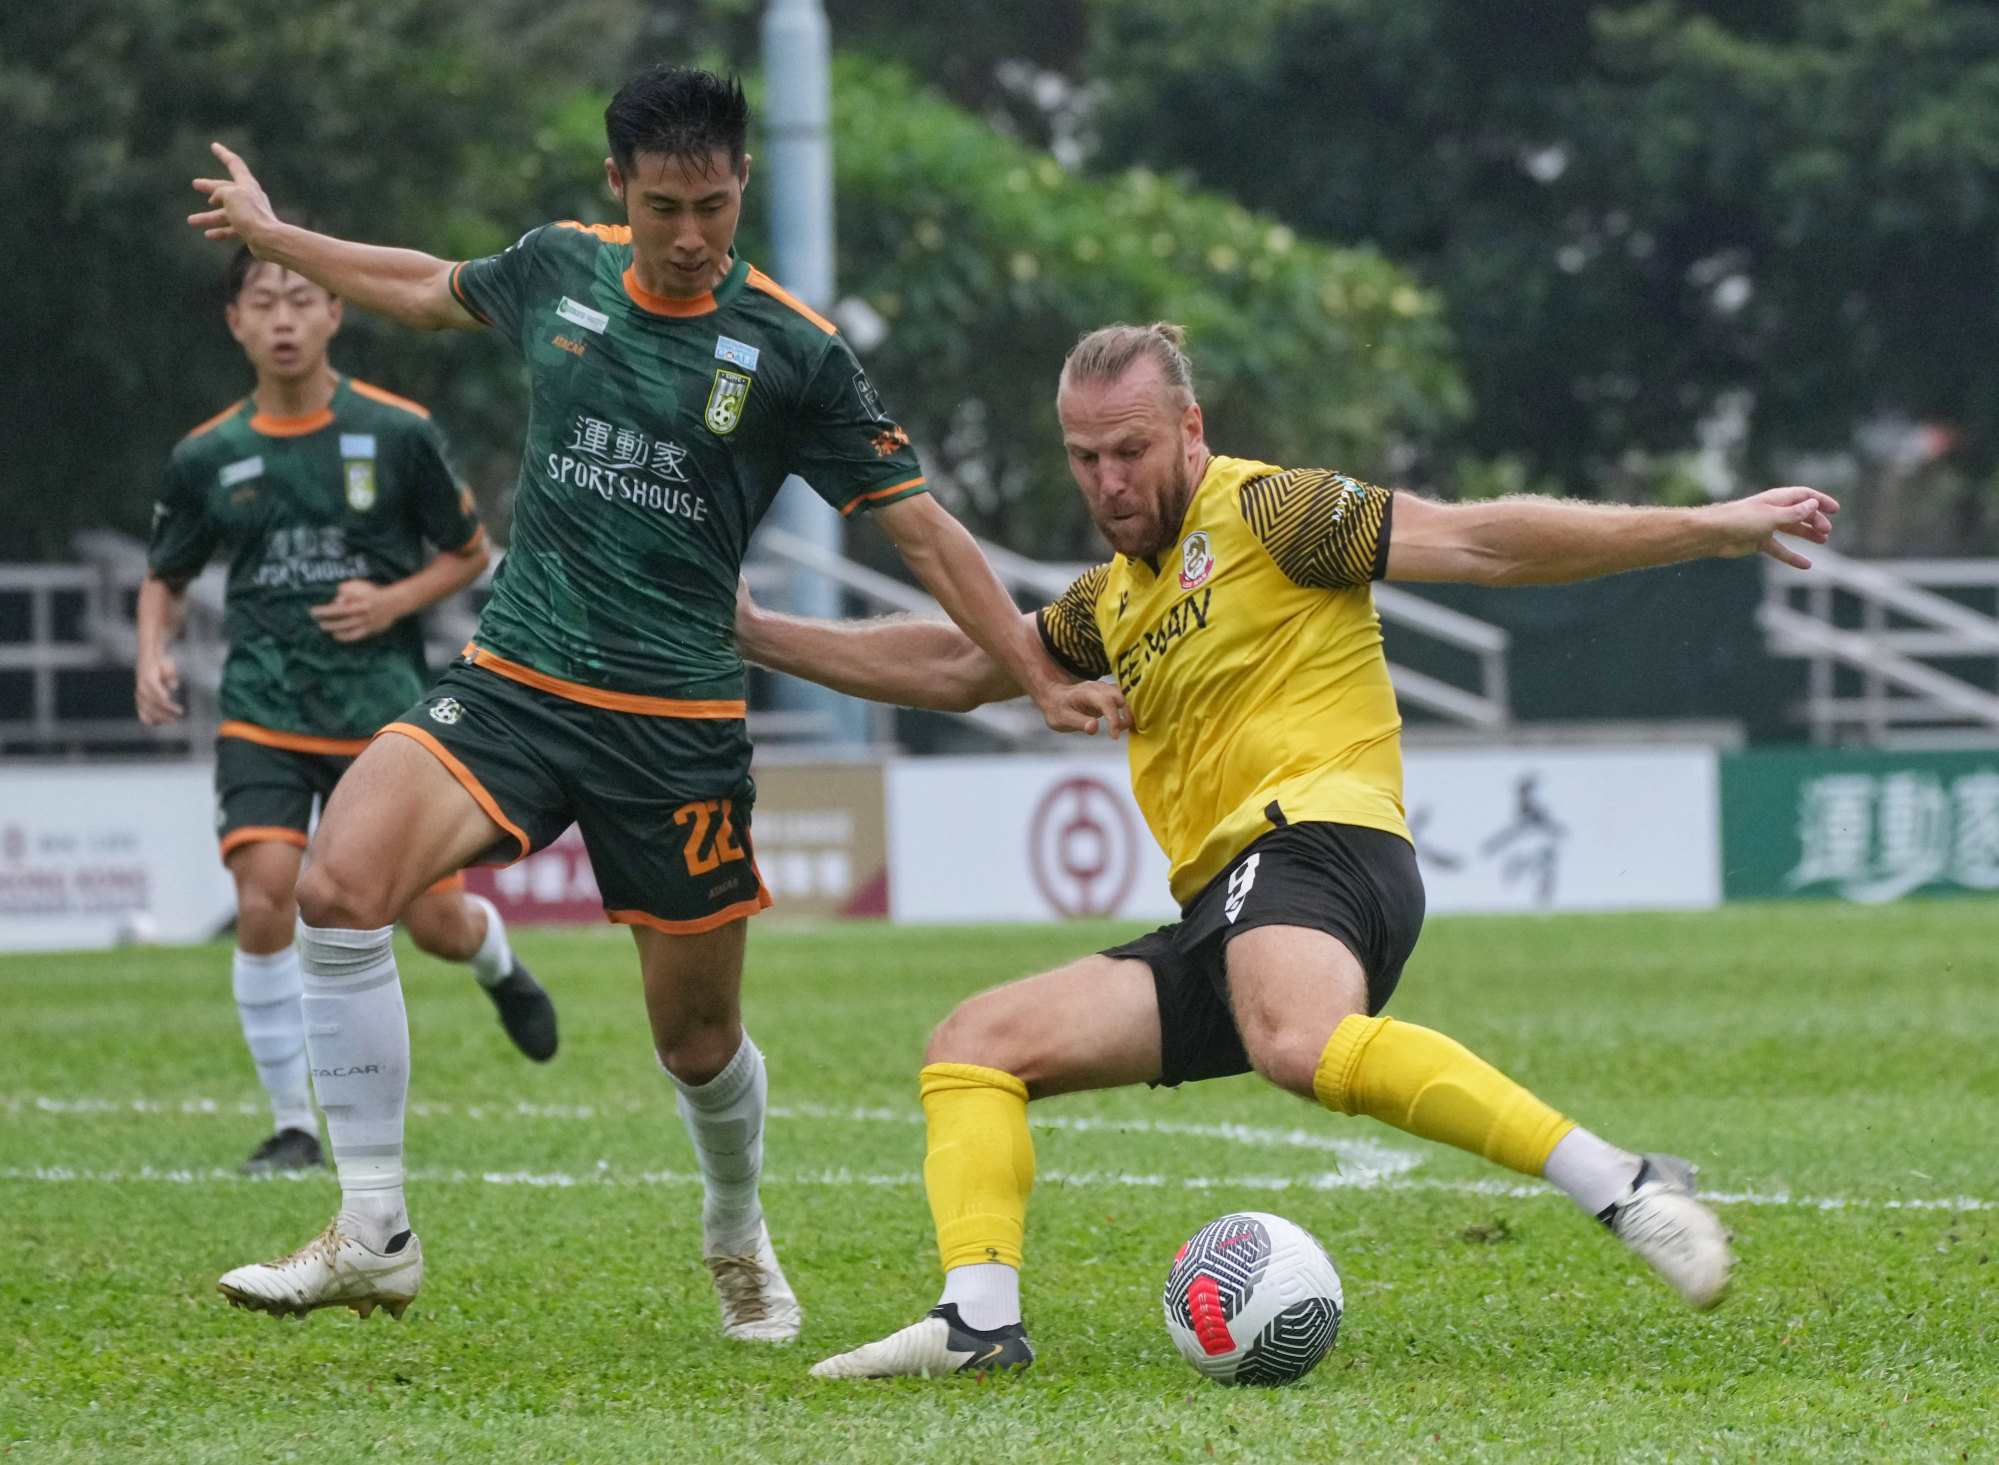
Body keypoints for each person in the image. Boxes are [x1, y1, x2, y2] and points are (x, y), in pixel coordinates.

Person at [184, 66, 1121, 1335]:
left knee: (696, 1042)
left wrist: (1032, 671)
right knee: (338, 885)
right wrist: (274, 232)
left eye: (717, 208)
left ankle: (736, 1229)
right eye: (668, 205)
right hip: (515, 682)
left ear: (747, 191)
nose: (691, 237)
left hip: (674, 726)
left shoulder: (794, 350)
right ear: (617, 189)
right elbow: (417, 284)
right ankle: (373, 1226)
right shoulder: (556, 270)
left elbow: (924, 535)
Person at [733, 321, 1842, 1378]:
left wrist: (1712, 524)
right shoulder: (1110, 601)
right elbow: (956, 668)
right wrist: (752, 631)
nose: (1108, 480)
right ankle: (977, 1318)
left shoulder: (1276, 511)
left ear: (1190, 432)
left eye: (1130, 450)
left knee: (1298, 1041)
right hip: (1227, 905)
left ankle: (1618, 1180)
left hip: (1322, 838)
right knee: (976, 1045)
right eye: (1084, 457)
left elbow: (1483, 541)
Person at [138, 247, 559, 1179]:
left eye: (301, 298)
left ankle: (498, 966)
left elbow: (466, 551)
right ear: (236, 323)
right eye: (263, 302)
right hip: (264, 707)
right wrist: (150, 650)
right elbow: (164, 576)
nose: (283, 318)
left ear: (335, 311)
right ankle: (292, 1124)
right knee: (265, 898)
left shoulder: (397, 431)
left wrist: (390, 602)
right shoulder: (208, 454)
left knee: (435, 926)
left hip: (381, 714)